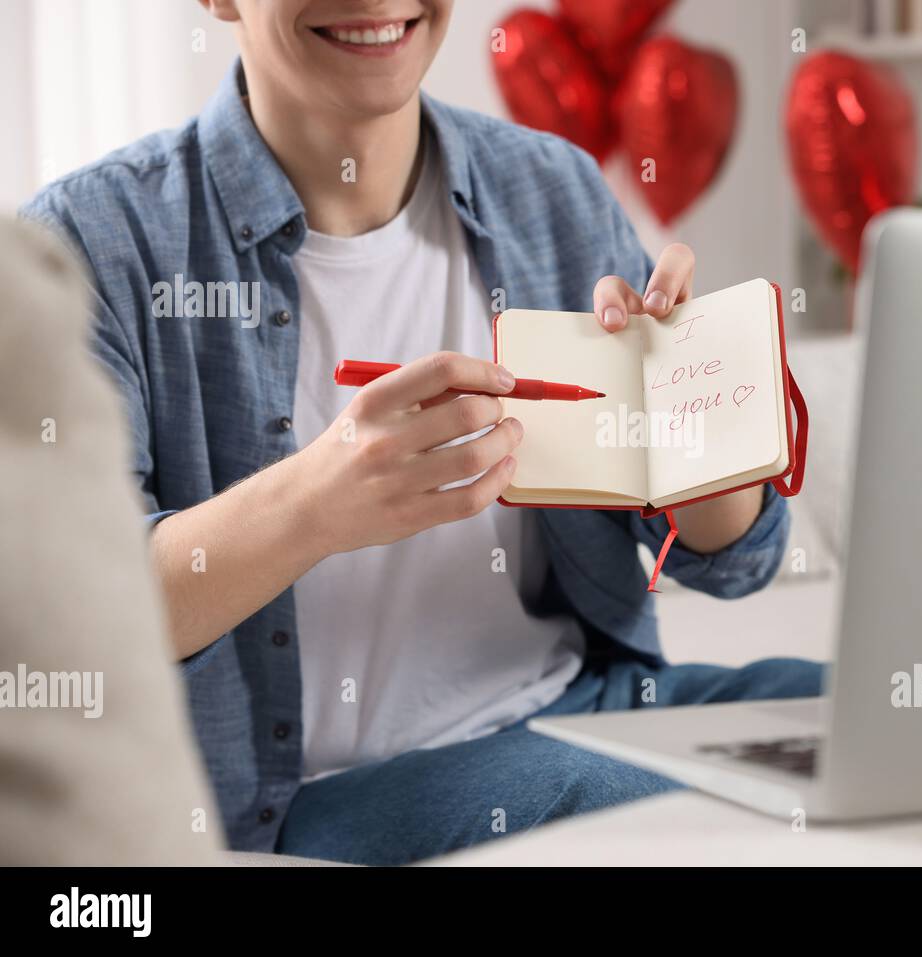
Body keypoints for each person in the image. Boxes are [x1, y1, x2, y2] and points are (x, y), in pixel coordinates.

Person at [22, 0, 821, 865]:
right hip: (327, 797)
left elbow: (734, 559)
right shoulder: (91, 245)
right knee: (691, 804)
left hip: (593, 706)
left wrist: (700, 422)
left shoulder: (552, 188)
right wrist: (318, 504)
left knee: (863, 724)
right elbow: (76, 621)